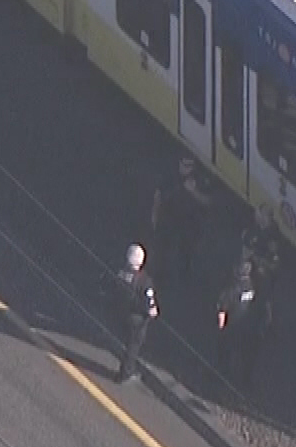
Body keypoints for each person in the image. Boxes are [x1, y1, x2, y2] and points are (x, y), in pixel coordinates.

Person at [150, 156, 210, 290]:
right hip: (168, 220)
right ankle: (159, 277)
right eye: (185, 165)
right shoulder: (170, 176)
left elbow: (208, 202)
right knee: (162, 250)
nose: (187, 169)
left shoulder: (198, 180)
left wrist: (194, 191)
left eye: (191, 166)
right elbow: (158, 194)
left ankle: (183, 279)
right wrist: (155, 215)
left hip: (188, 224)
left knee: (185, 253)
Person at [215, 258, 266, 386]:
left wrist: (221, 328)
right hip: (245, 325)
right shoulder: (250, 286)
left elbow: (223, 309)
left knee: (228, 351)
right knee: (243, 354)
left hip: (235, 325)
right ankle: (242, 379)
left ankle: (222, 374)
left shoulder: (234, 289)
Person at [112, 243, 157, 383]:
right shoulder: (144, 280)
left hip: (123, 312)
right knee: (134, 345)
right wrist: (152, 309)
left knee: (127, 341)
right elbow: (149, 300)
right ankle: (125, 373)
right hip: (138, 317)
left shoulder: (121, 273)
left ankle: (125, 369)